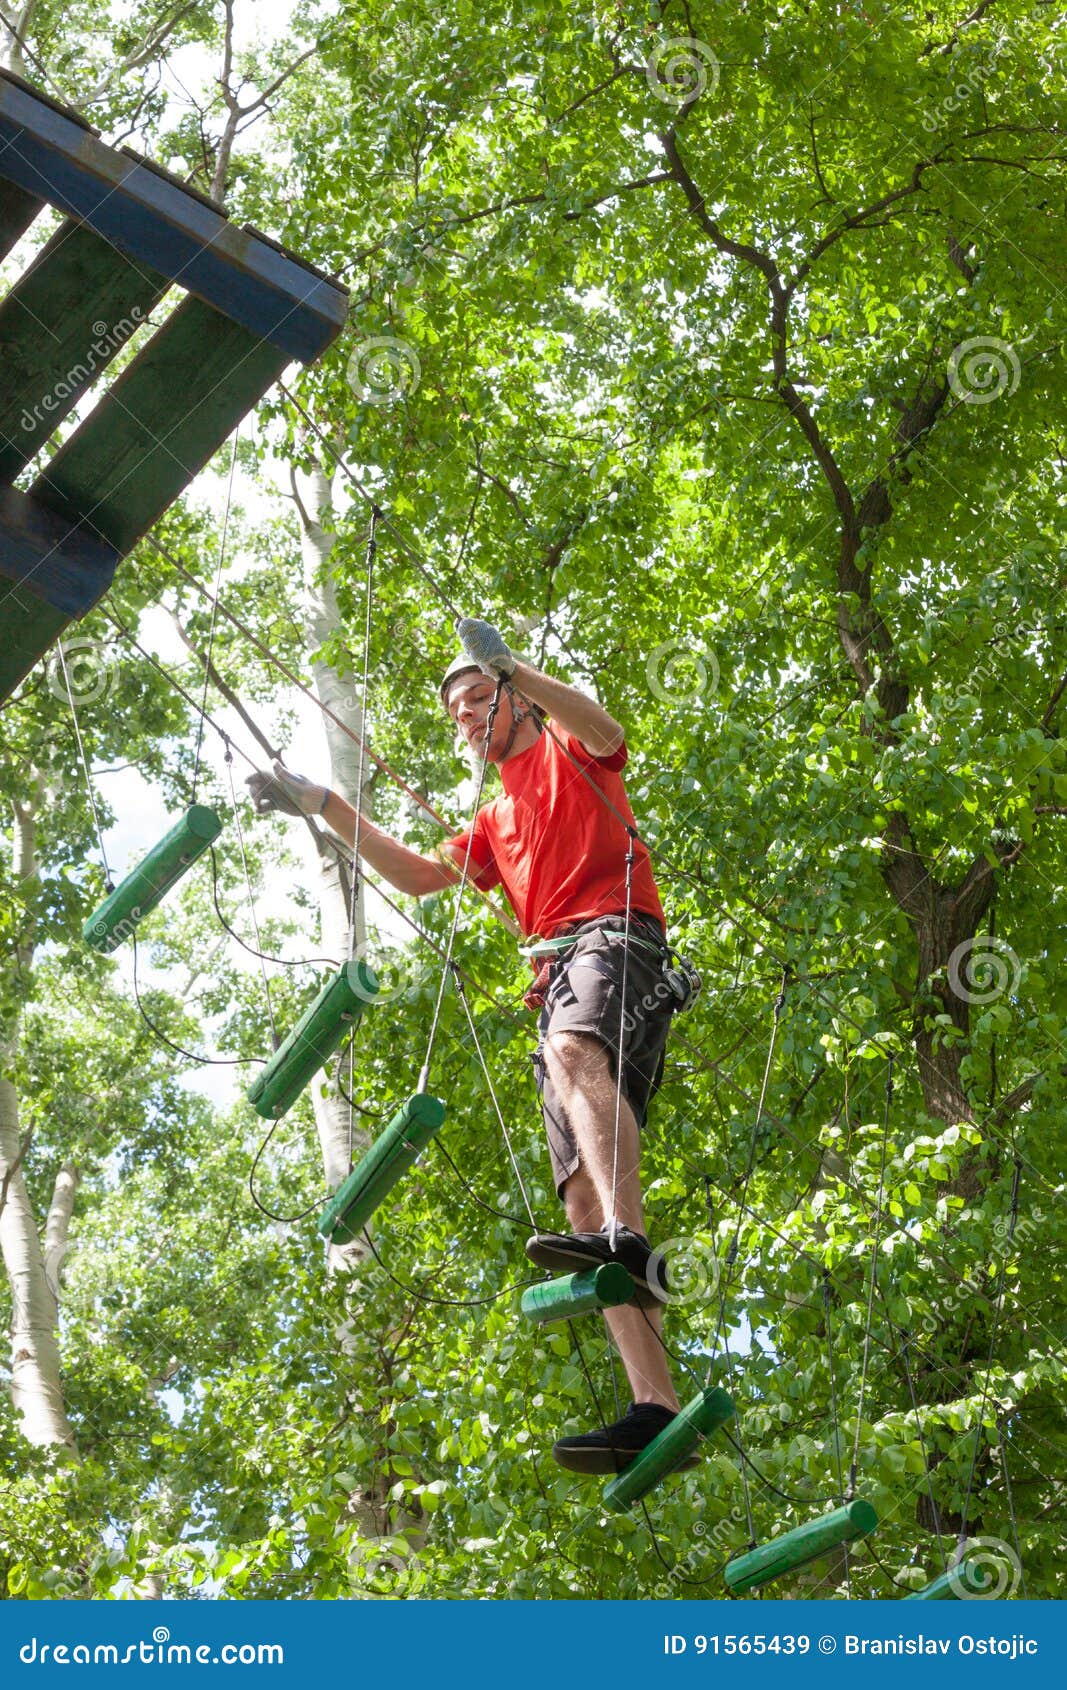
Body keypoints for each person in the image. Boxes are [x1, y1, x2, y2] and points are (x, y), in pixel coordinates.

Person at [248, 618, 691, 1474]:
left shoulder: (567, 748)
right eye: (455, 712)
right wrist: (325, 804)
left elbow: (606, 730)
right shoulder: (491, 816)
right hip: (561, 974)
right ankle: (655, 1406)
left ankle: (625, 1236)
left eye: (479, 698)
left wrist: (514, 666)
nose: (466, 718)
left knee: (572, 1056)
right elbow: (420, 876)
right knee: (576, 1198)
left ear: (516, 698)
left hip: (614, 940)